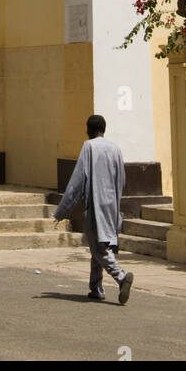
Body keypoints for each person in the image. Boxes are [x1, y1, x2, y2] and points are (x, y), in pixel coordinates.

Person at [53, 114, 133, 305]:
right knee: (100, 244)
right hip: (111, 205)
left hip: (96, 205)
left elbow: (78, 180)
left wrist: (62, 211)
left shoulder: (89, 147)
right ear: (103, 129)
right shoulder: (115, 148)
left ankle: (121, 277)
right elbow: (121, 180)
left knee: (98, 248)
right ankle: (95, 288)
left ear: (89, 129)